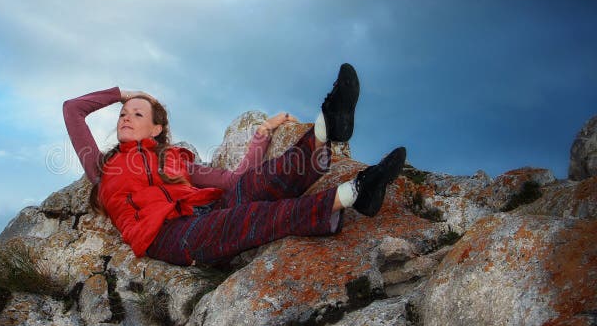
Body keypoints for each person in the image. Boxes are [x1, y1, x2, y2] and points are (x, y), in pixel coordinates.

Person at [63, 64, 406, 266]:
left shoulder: (174, 160)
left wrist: (263, 133)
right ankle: (356, 191)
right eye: (123, 114)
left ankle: (325, 129)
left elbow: (236, 180)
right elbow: (72, 109)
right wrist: (126, 93)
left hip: (204, 212)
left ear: (156, 128)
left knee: (257, 185)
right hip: (166, 236)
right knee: (248, 218)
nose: (125, 117)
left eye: (137, 114)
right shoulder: (101, 168)